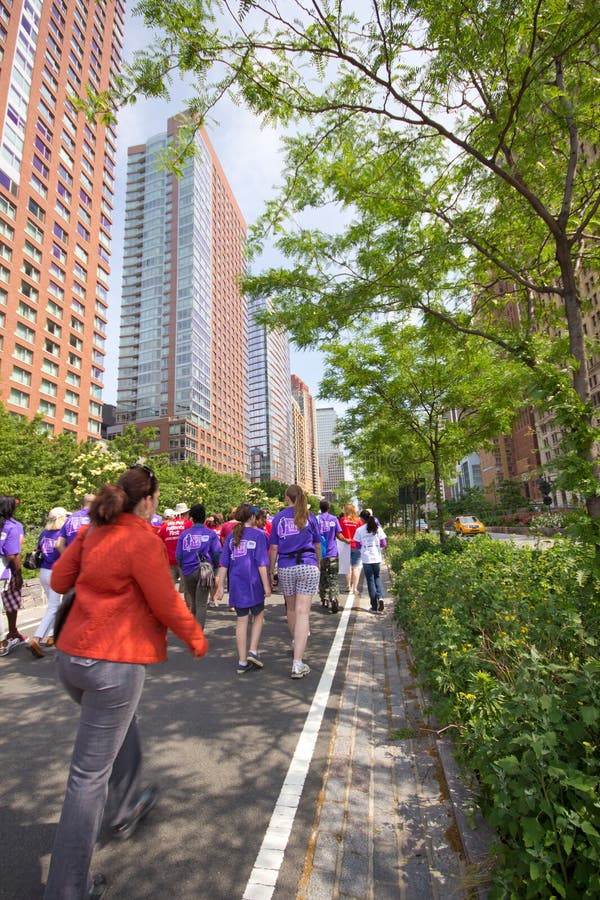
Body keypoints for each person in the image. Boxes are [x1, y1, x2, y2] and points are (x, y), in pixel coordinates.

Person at [43, 465, 208, 900]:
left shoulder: (92, 532)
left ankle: (126, 805)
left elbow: (60, 580)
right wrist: (195, 637)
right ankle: (67, 890)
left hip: (71, 659)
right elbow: (166, 600)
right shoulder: (141, 541)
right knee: (87, 778)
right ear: (149, 500)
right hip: (112, 664)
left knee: (122, 724)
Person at [269, 484, 321, 679]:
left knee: (291, 610)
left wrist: (269, 570)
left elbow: (273, 547)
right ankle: (298, 662)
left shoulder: (279, 518)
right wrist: (318, 563)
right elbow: (317, 544)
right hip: (307, 565)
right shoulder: (310, 517)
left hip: (286, 566)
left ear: (286, 498)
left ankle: (295, 644)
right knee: (303, 612)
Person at [214, 503, 271, 674]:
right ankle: (253, 650)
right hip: (254, 583)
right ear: (253, 517)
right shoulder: (260, 535)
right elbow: (261, 563)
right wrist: (267, 585)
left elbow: (224, 563)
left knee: (241, 620)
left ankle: (242, 661)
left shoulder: (232, 536)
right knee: (258, 615)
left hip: (237, 584)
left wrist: (220, 587)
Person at [28, 507, 69, 658]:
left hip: (44, 571)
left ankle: (52, 635)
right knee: (53, 606)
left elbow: (39, 549)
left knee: (52, 604)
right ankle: (37, 638)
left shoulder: (44, 533)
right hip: (55, 572)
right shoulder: (61, 534)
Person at [175, 504, 221, 627]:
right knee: (201, 604)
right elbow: (217, 554)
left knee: (194, 602)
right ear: (204, 517)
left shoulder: (184, 535)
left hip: (188, 571)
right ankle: (198, 636)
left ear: (192, 517)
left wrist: (182, 567)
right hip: (205, 571)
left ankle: (192, 632)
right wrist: (216, 568)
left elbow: (178, 556)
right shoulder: (211, 534)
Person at [0, 495, 25, 656]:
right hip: (4, 569)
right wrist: (18, 573)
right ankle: (4, 639)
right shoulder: (12, 526)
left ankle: (12, 631)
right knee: (9, 601)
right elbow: (12, 555)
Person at [317, 500, 347, 613]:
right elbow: (339, 535)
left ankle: (324, 599)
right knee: (333, 577)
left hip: (320, 554)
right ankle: (333, 597)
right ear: (328, 507)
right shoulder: (334, 519)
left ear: (320, 508)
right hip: (333, 553)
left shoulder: (316, 519)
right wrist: (347, 540)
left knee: (323, 577)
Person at [355, 509, 387, 613]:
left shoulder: (359, 530)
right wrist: (378, 548)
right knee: (377, 577)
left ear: (362, 519)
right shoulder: (377, 528)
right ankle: (381, 597)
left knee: (370, 581)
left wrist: (363, 548)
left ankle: (374, 606)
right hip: (376, 557)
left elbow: (357, 544)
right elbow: (383, 543)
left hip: (366, 558)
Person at [157, 502, 192, 589]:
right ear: (185, 513)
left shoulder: (165, 526)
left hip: (169, 562)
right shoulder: (189, 524)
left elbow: (157, 542)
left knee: (168, 591)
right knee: (188, 591)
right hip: (184, 562)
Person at [338, 503, 362, 593]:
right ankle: (355, 588)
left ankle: (348, 586)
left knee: (347, 567)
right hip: (356, 545)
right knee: (356, 568)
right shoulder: (358, 521)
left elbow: (339, 532)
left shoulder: (342, 520)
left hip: (345, 545)